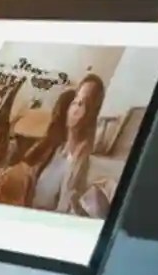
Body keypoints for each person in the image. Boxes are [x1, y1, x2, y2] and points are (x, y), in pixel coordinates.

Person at [29, 75, 106, 214]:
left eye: (86, 103)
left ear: (93, 115)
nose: (77, 107)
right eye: (76, 101)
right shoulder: (55, 150)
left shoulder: (83, 163)